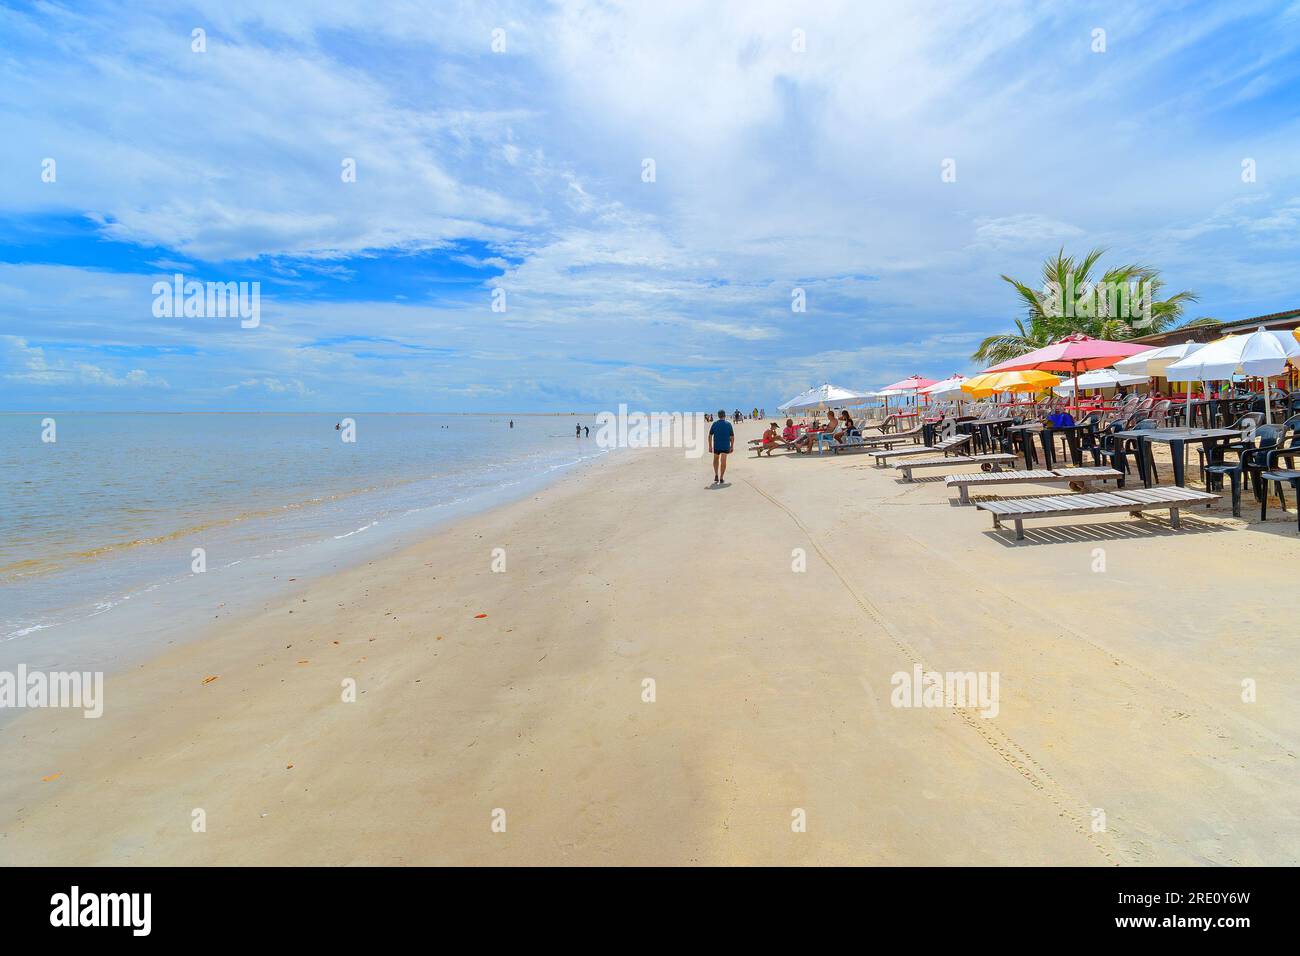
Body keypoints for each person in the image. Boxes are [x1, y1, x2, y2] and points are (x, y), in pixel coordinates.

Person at [708, 409, 734, 484]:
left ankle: (716, 474)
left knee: (715, 459)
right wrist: (732, 446)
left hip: (717, 445)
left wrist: (710, 446)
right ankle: (721, 477)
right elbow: (732, 436)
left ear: (718, 416)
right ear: (724, 415)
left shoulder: (714, 424)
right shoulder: (728, 424)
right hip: (725, 446)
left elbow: (710, 435)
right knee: (723, 461)